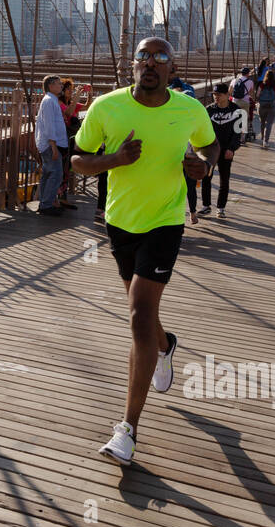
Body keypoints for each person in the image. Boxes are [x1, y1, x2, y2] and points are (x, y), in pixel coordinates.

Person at [72, 37, 220, 466]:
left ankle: (127, 431)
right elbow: (78, 160)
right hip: (120, 223)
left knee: (137, 313)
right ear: (131, 65)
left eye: (160, 58)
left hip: (166, 220)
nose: (150, 63)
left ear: (172, 68)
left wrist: (204, 164)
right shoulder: (106, 107)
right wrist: (114, 159)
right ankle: (166, 345)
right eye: (142, 57)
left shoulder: (189, 109)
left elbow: (208, 145)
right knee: (145, 316)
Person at [201, 83, 242, 218]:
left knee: (224, 180)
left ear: (227, 95)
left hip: (226, 150)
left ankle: (221, 207)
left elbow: (238, 133)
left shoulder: (237, 111)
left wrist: (232, 148)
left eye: (219, 95)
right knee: (206, 178)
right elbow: (202, 130)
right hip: (210, 150)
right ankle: (206, 206)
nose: (216, 97)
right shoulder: (208, 110)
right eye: (214, 94)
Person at [34, 75, 66, 216]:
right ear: (51, 86)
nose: (61, 86)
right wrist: (53, 145)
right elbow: (49, 125)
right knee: (56, 174)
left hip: (49, 143)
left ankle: (44, 202)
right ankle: (47, 204)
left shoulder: (51, 100)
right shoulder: (48, 101)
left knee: (48, 173)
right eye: (59, 84)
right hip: (50, 144)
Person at [57, 77, 84, 210]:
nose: (69, 92)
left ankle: (63, 197)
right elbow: (67, 113)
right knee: (61, 168)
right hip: (62, 138)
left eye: (70, 90)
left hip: (69, 139)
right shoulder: (60, 103)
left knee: (66, 168)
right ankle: (57, 198)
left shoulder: (69, 103)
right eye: (68, 89)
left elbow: (86, 106)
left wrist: (88, 94)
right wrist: (77, 96)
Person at [256, 70, 275, 148]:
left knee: (262, 123)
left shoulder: (262, 84)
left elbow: (257, 95)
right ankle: (266, 141)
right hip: (272, 106)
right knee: (269, 124)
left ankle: (262, 137)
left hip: (262, 106)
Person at [231, 66, 256, 140]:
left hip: (235, 102)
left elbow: (230, 91)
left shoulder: (235, 80)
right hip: (245, 102)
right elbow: (251, 93)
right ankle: (242, 138)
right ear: (248, 73)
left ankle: (235, 137)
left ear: (241, 73)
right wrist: (253, 100)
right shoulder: (250, 82)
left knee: (235, 119)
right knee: (244, 120)